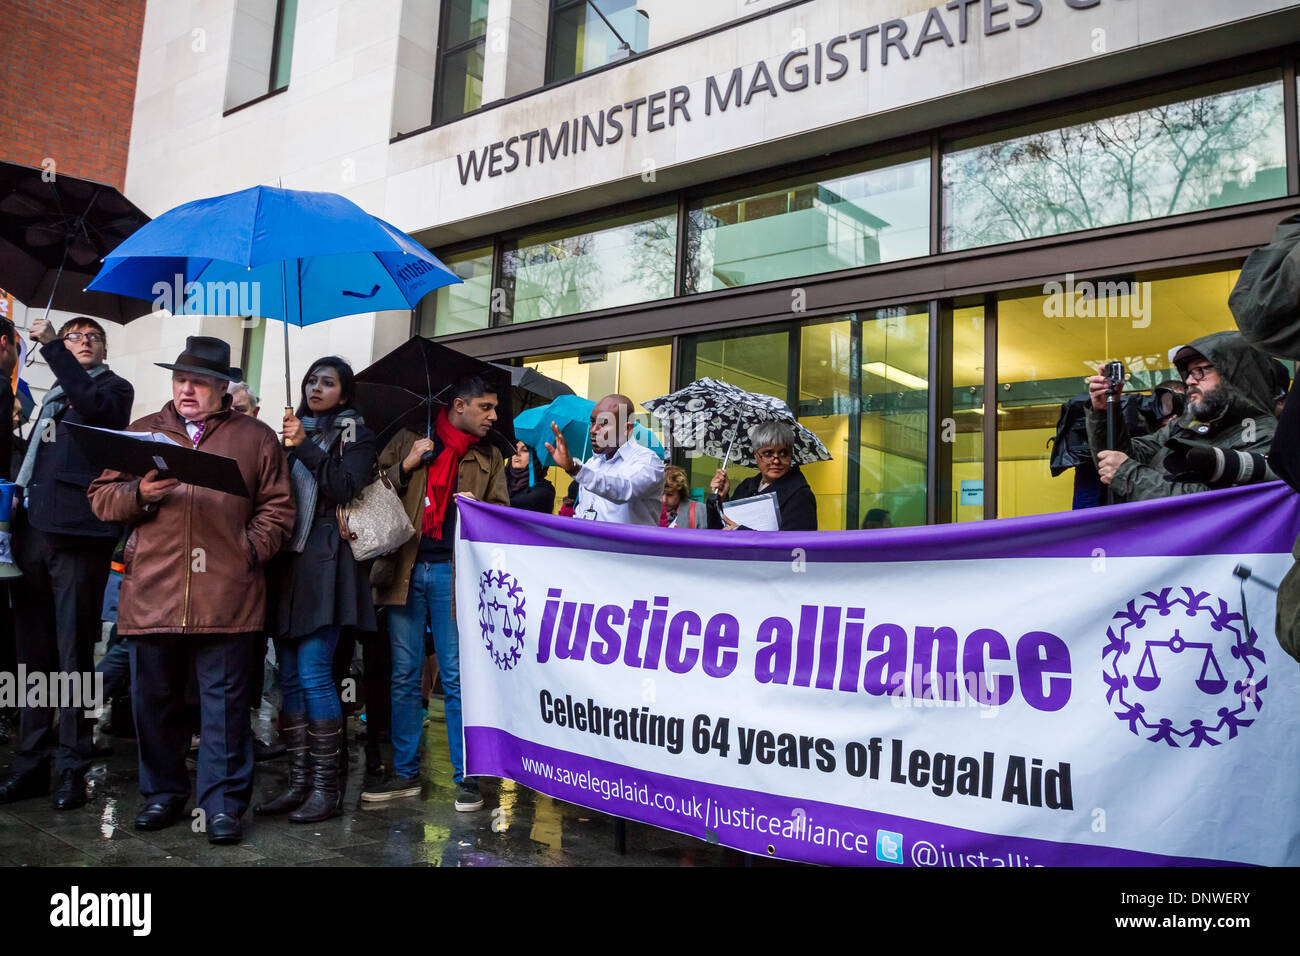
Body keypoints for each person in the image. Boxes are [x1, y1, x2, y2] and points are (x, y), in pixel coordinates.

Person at [87, 336, 294, 845]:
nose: (185, 389)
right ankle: (162, 794)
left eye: (198, 382)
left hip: (229, 595)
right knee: (152, 702)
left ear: (223, 388)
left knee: (224, 707)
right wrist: (138, 493)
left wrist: (246, 551)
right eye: (180, 379)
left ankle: (221, 806)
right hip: (152, 592)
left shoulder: (257, 437)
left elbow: (279, 510)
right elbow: (100, 498)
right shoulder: (142, 433)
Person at [0, 316, 133, 810]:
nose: (81, 342)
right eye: (73, 335)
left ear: (102, 349)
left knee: (73, 655)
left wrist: (54, 346)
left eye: (91, 337)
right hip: (33, 535)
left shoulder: (112, 389)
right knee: (33, 658)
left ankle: (71, 769)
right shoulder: (55, 394)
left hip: (79, 538)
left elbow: (96, 409)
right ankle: (30, 764)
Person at [366, 376, 508, 811]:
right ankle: (406, 773)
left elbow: (502, 516)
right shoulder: (410, 440)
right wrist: (406, 465)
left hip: (455, 573)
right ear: (459, 404)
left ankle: (466, 778)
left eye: (494, 408)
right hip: (404, 570)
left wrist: (477, 508)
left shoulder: (490, 456)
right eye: (485, 407)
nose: (493, 416)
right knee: (405, 674)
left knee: (456, 676)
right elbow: (368, 495)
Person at [255, 357, 376, 822]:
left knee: (313, 670)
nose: (315, 388)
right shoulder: (289, 436)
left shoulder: (357, 435)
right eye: (311, 380)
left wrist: (304, 446)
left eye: (327, 383)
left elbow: (344, 487)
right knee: (289, 677)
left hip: (328, 565)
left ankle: (328, 790)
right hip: (287, 564)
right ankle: (299, 783)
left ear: (344, 395)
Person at [1085, 331, 1277, 501]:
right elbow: (1121, 457)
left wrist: (1129, 475)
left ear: (1234, 376)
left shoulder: (1263, 434)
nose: (1189, 381)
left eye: (1200, 371)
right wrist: (1104, 412)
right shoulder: (1183, 426)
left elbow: (1216, 507)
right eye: (1188, 373)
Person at [545, 394, 664, 526]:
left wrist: (575, 469)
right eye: (592, 422)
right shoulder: (592, 463)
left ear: (627, 429)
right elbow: (583, 513)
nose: (594, 430)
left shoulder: (648, 461)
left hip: (625, 547)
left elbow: (624, 489)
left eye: (604, 424)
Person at [709, 421, 818, 531]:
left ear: (791, 455)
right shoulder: (746, 487)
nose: (776, 461)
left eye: (783, 453)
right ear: (756, 455)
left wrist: (740, 532)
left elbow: (795, 544)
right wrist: (720, 499)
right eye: (768, 453)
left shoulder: (801, 495)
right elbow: (718, 531)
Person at [506, 441, 555, 514]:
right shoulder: (501, 480)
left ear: (536, 456)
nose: (517, 453)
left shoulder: (545, 490)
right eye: (514, 449)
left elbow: (521, 503)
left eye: (525, 450)